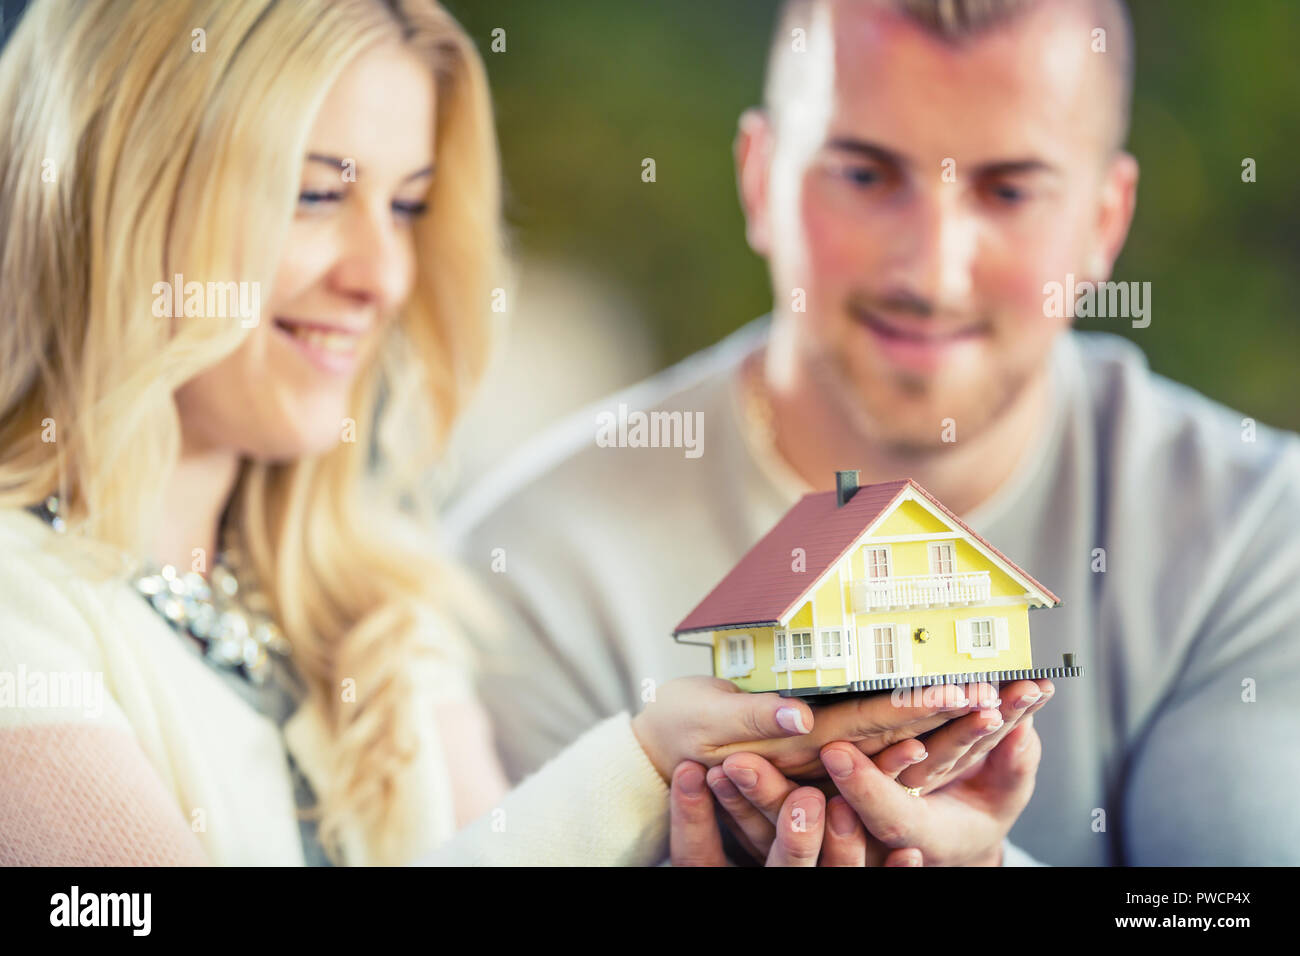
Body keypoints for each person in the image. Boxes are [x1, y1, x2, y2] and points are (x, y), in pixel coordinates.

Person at [0, 0, 991, 867]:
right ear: (120, 191)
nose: (380, 276)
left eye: (407, 207)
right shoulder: (21, 611)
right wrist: (641, 763)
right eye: (313, 193)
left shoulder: (384, 618)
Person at [447, 0, 1300, 866]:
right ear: (758, 180)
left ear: (1104, 222)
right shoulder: (525, 567)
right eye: (864, 175)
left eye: (1009, 190)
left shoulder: (1259, 533)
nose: (932, 270)